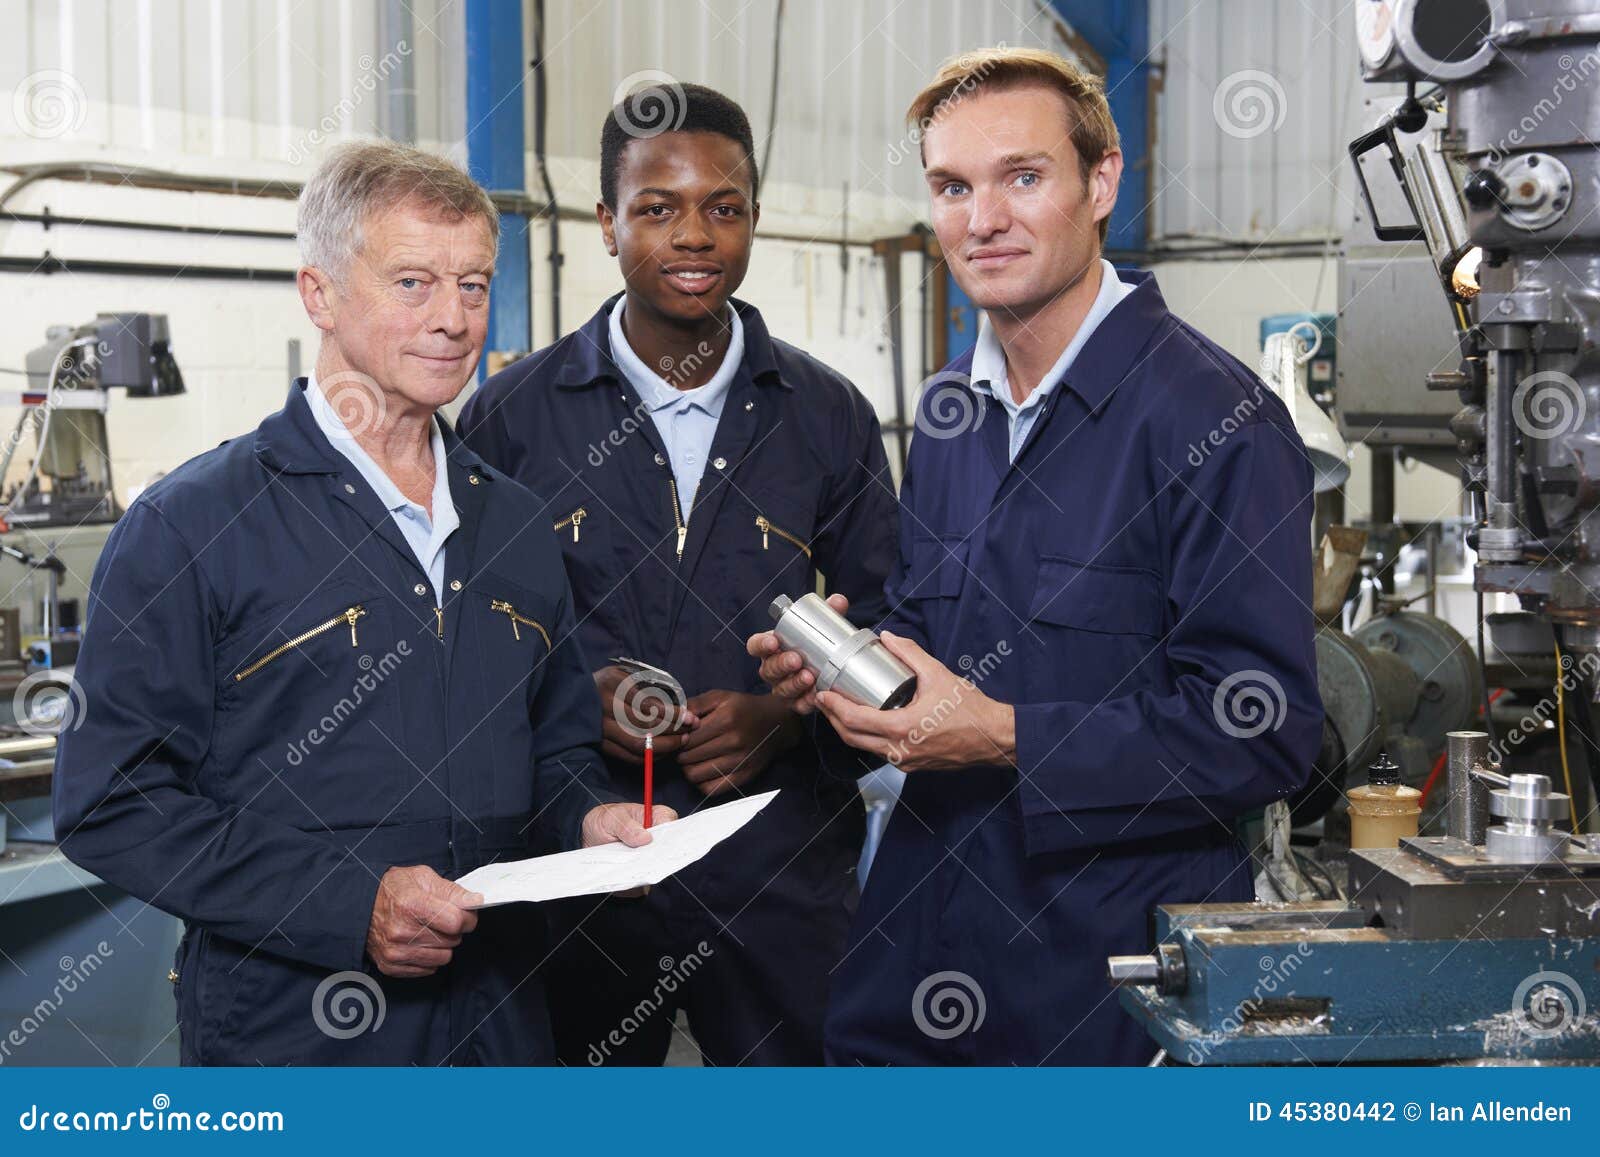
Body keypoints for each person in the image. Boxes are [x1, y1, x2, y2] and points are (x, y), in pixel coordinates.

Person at [749, 47, 1323, 1065]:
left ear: (1099, 183)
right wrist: (851, 677)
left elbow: (1264, 730)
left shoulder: (1213, 419)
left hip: (1101, 984)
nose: (983, 219)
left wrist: (1008, 734)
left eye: (1022, 177)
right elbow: (933, 641)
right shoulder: (950, 410)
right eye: (951, 186)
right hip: (914, 953)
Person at [52, 140, 667, 1066]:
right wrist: (346, 905)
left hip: (501, 1017)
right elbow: (110, 800)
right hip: (295, 1033)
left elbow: (557, 748)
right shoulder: (194, 524)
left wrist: (592, 818)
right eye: (412, 282)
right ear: (319, 293)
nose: (453, 319)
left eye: (472, 284)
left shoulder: (517, 523)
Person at [459, 83, 897, 1065]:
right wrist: (581, 698)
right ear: (606, 222)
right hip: (581, 868)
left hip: (779, 868)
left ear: (751, 220)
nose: (693, 235)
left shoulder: (826, 417)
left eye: (723, 207)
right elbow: (472, 640)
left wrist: (783, 716)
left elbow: (892, 623)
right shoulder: (513, 418)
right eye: (657, 208)